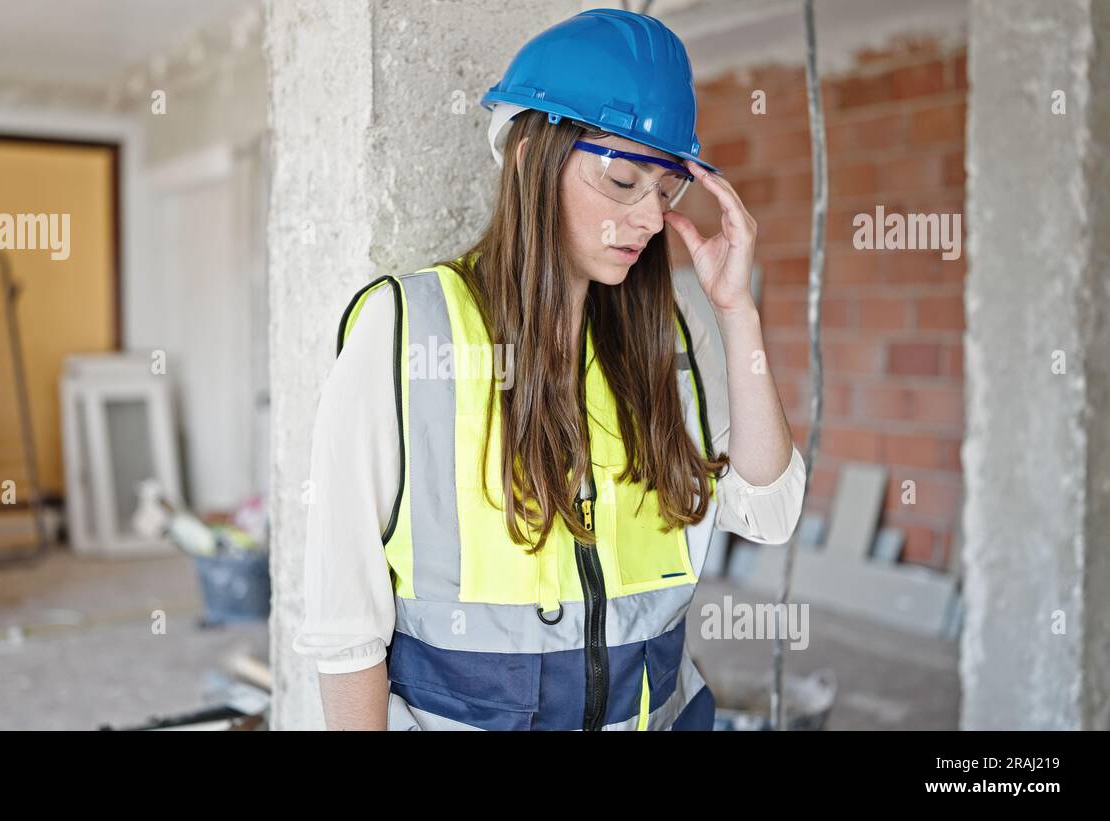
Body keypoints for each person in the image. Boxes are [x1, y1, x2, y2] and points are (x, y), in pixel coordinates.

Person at [294, 7, 806, 731]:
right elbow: (345, 628)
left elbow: (772, 511)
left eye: (666, 191)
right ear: (533, 157)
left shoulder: (667, 339)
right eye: (623, 179)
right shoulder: (405, 331)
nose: (652, 220)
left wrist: (737, 313)